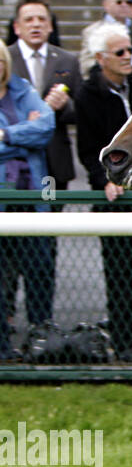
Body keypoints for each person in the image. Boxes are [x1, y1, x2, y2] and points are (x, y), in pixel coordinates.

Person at [74, 24, 132, 362]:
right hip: (115, 200)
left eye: (130, 50)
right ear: (101, 58)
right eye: (120, 52)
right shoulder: (87, 94)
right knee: (121, 273)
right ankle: (125, 342)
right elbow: (87, 149)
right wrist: (104, 179)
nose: (129, 58)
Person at [0, 42, 55, 360]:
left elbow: (45, 128)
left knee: (39, 271)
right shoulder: (27, 102)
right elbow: (33, 132)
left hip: (31, 198)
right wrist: (25, 135)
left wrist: (6, 135)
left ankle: (40, 340)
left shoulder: (22, 89)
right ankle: (3, 349)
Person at [8, 0, 80, 190]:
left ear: (50, 26)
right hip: (12, 160)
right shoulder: (4, 60)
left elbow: (83, 112)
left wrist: (66, 105)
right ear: (17, 27)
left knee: (52, 217)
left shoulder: (68, 61)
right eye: (29, 19)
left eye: (41, 19)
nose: (36, 24)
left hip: (54, 162)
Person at [78, 0, 132, 73]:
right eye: (119, 2)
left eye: (128, 2)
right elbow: (85, 64)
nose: (124, 5)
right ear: (106, 5)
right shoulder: (92, 31)